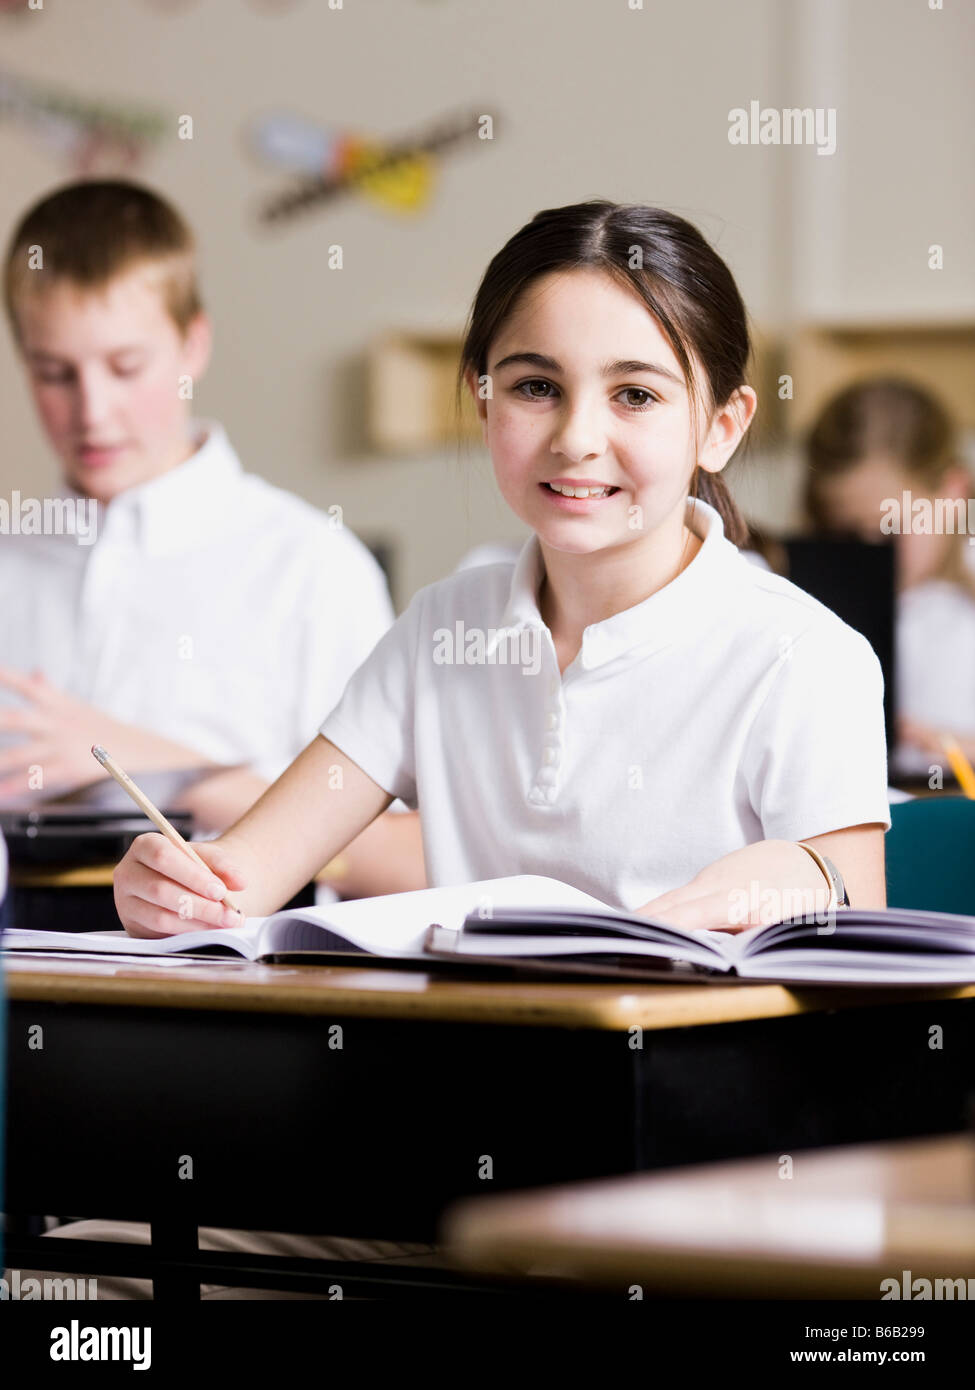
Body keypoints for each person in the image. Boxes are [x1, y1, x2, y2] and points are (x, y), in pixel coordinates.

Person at [34, 199, 891, 1297]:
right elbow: (243, 871)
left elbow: (855, 902)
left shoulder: (798, 650)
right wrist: (173, 885)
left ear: (720, 424)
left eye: (634, 394)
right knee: (74, 1281)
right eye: (534, 386)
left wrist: (782, 876)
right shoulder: (447, 624)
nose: (577, 435)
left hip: (693, 1188)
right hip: (452, 1160)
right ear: (484, 400)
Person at [0, 180, 425, 896]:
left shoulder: (309, 566)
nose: (92, 411)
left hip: (234, 991)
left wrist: (173, 772)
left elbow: (410, 862)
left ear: (193, 344)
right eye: (54, 374)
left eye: (125, 367)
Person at [804, 378, 975, 774]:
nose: (871, 552)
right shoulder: (808, 603)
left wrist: (951, 749)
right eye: (846, 536)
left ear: (953, 492)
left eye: (892, 530)